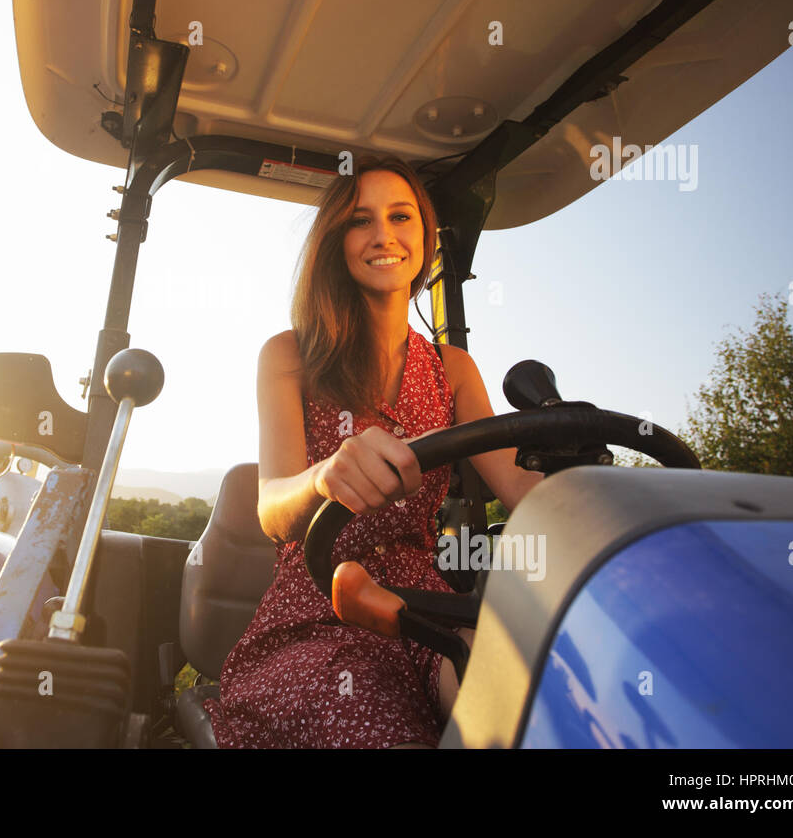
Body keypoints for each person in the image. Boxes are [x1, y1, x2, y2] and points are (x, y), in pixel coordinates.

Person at [202, 155, 543, 749]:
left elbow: (520, 487)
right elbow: (272, 509)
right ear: (337, 242)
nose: (384, 235)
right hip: (322, 600)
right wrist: (323, 477)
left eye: (401, 216)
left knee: (523, 696)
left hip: (425, 606)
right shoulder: (289, 355)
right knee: (370, 720)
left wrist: (590, 489)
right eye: (361, 221)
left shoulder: (453, 369)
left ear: (424, 235)